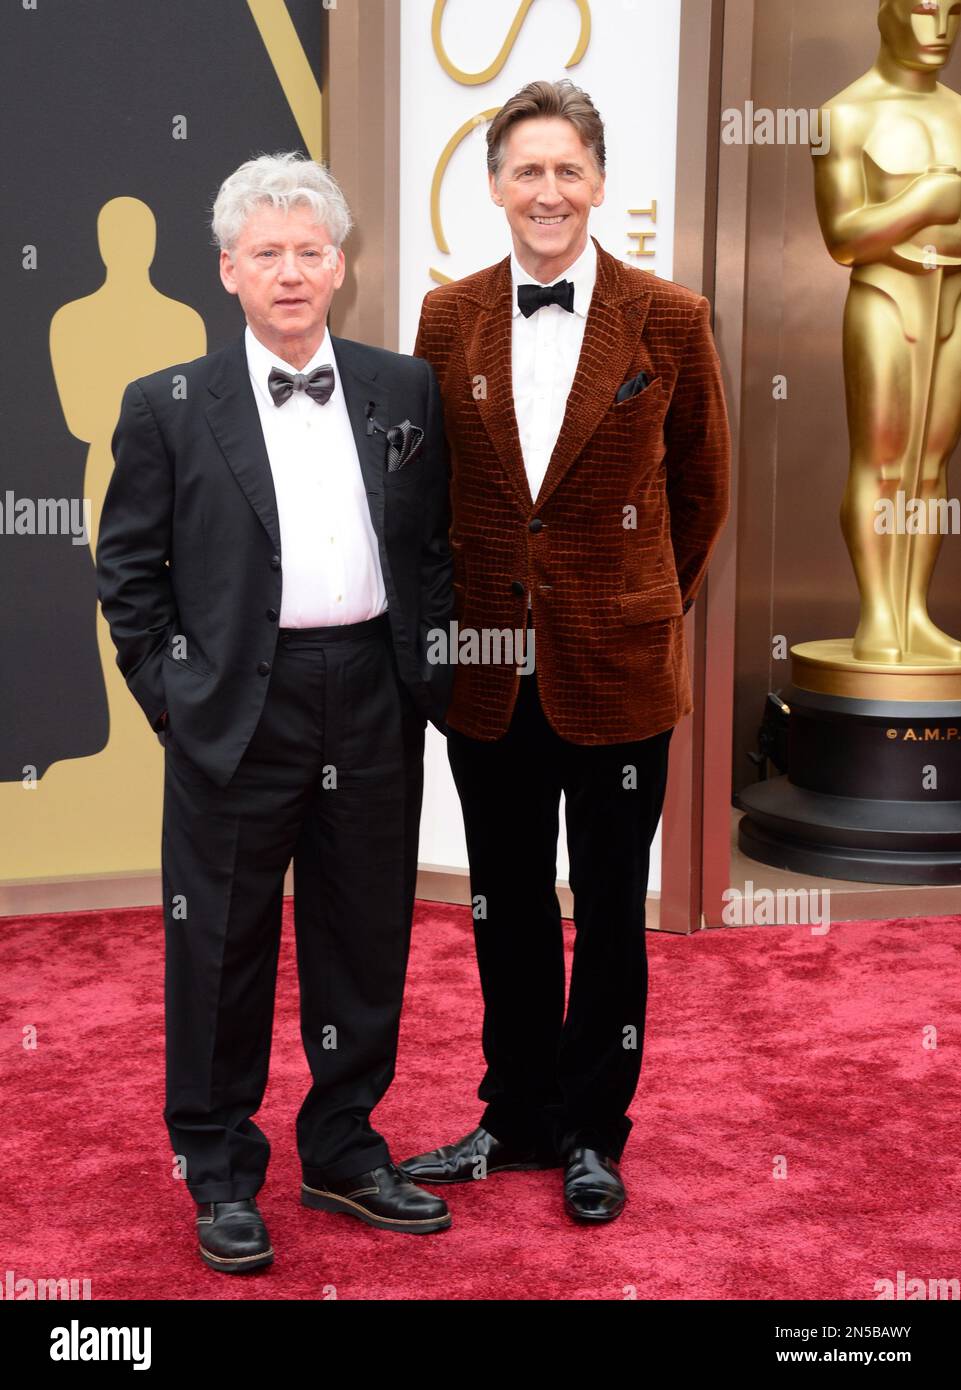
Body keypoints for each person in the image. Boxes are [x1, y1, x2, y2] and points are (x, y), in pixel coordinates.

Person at [96, 152, 454, 1272]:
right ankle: (217, 1172)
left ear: (339, 265)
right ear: (228, 271)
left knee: (365, 934)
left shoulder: (405, 388)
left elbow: (435, 548)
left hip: (372, 694)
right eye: (266, 254)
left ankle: (343, 1148)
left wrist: (427, 674)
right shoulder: (165, 405)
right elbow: (128, 575)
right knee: (221, 947)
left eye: (308, 251)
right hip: (235, 705)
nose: (289, 273)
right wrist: (176, 699)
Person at [400, 81, 731, 1223]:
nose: (548, 191)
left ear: (598, 182)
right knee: (505, 903)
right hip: (489, 671)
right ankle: (516, 1116)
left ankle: (593, 1131)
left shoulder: (671, 318)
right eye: (527, 170)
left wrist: (640, 606)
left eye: (567, 170)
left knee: (610, 907)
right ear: (495, 185)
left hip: (618, 671)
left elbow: (702, 491)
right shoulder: (447, 317)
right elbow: (429, 493)